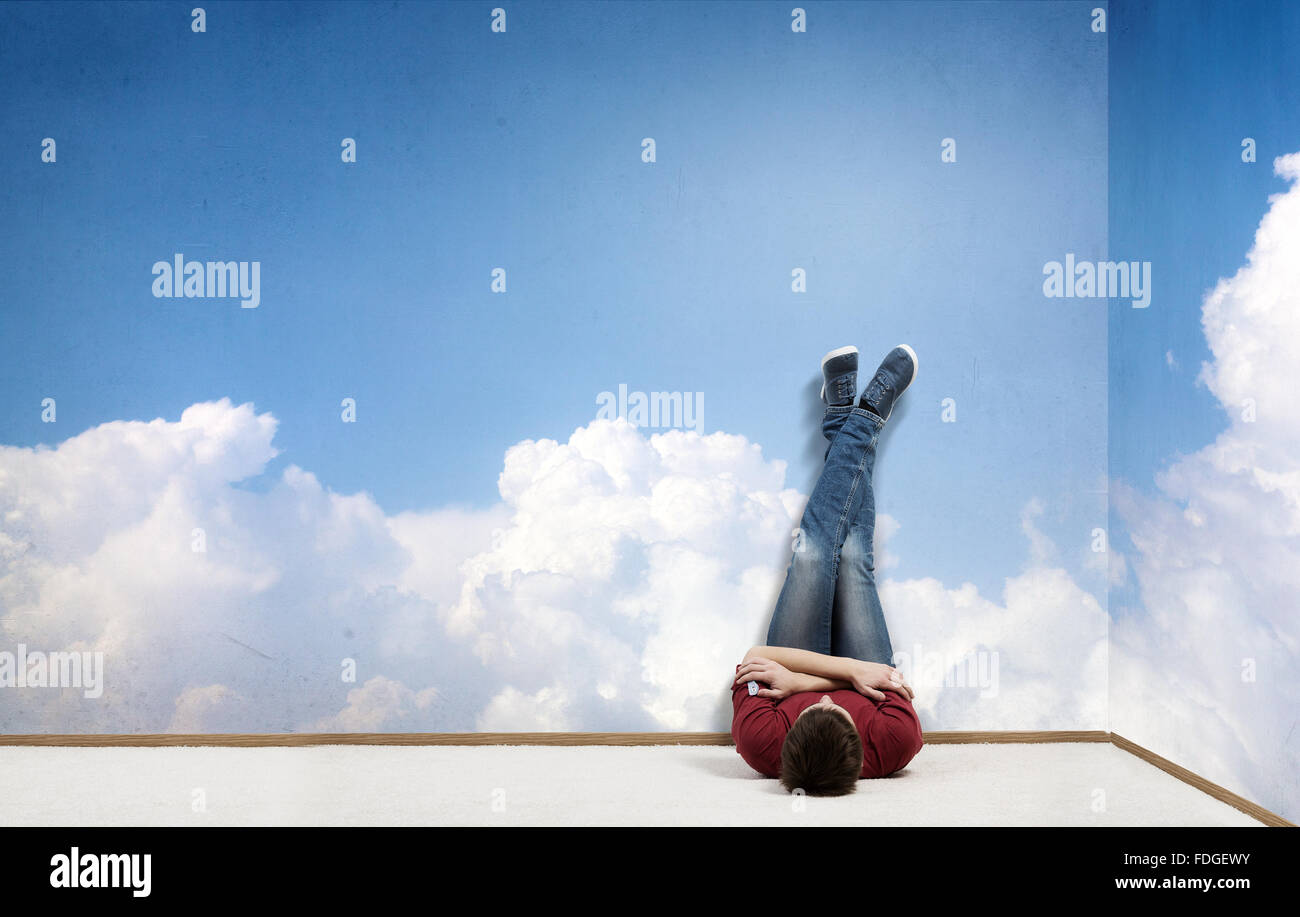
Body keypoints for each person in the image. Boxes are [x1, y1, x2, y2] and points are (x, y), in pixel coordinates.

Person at [731, 344, 923, 795]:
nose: (822, 698)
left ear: (788, 734)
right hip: (859, 667)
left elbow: (758, 655)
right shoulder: (894, 742)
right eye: (834, 707)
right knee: (854, 557)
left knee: (814, 555)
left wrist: (813, 677)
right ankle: (850, 418)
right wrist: (828, 676)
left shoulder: (761, 743)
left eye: (809, 706)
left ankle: (859, 417)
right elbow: (881, 683)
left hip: (835, 667)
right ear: (862, 750)